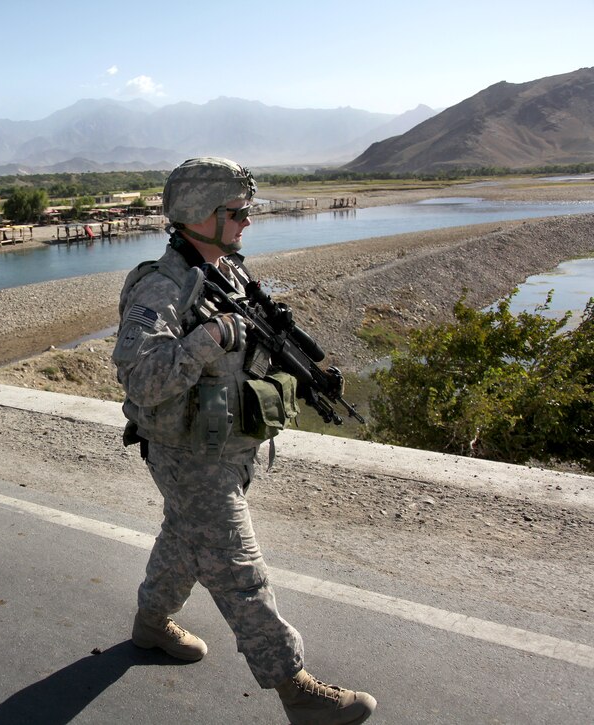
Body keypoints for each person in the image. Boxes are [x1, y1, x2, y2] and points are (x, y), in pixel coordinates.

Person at [112, 157, 376, 725]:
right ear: (199, 215)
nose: (246, 222)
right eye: (236, 212)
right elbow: (141, 378)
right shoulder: (161, 290)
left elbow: (259, 347)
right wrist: (208, 338)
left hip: (230, 444)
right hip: (189, 454)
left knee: (186, 539)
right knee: (238, 565)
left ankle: (151, 624)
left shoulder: (229, 275)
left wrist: (309, 375)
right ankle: (295, 686)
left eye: (246, 211)